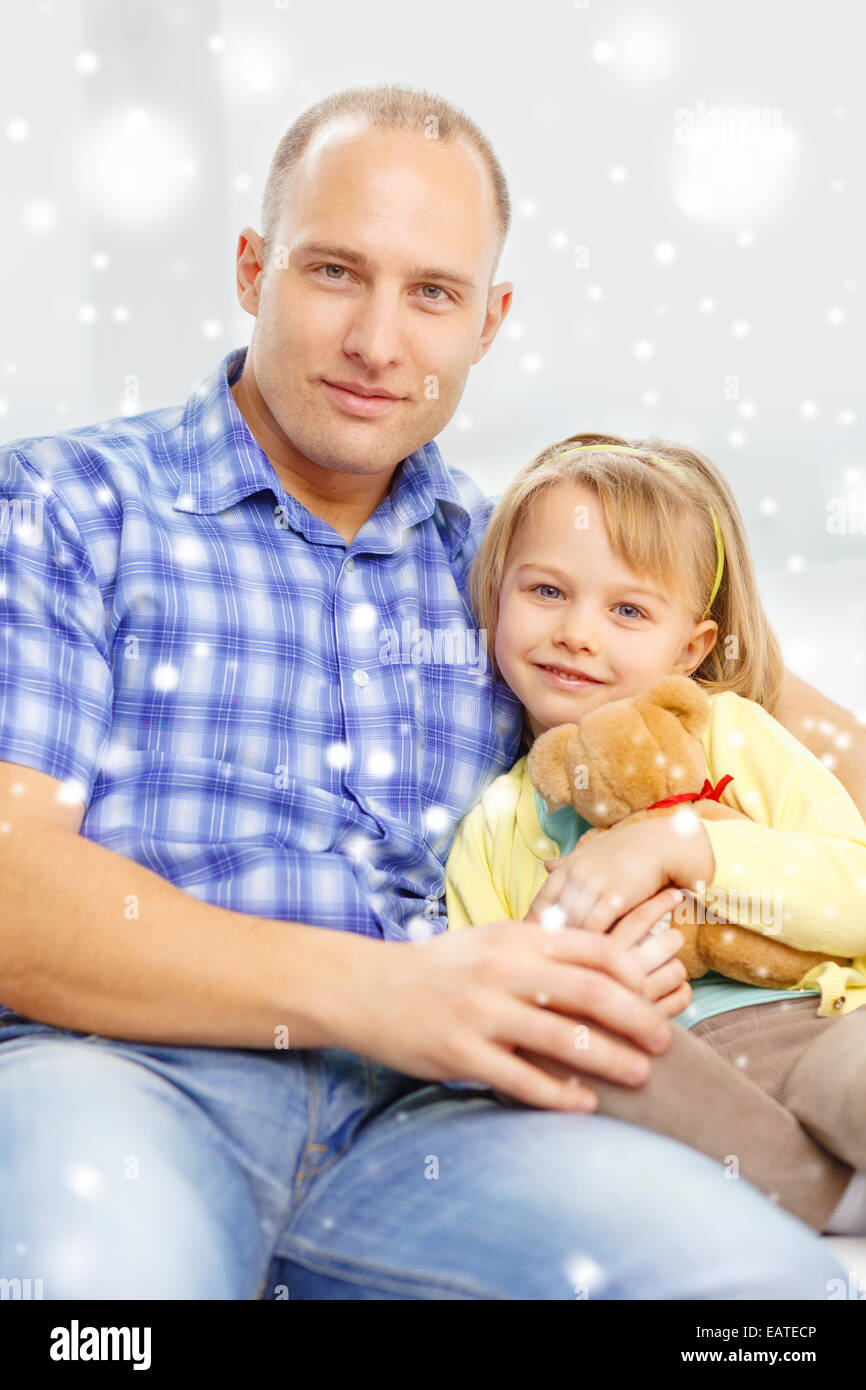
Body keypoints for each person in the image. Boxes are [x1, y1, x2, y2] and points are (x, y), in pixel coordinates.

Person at [0, 84, 857, 1299]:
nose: (377, 343)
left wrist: (690, 855)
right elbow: (10, 887)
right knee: (99, 1290)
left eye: (433, 293)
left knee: (760, 1300)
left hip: (448, 1123)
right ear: (252, 268)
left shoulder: (524, 567)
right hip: (126, 1078)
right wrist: (386, 991)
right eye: (334, 272)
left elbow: (785, 725)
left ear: (489, 319)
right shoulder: (61, 507)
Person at [445, 431, 866, 1235]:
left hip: (816, 1019)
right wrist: (556, 974)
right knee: (584, 1072)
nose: (577, 632)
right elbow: (488, 1015)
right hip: (665, 1062)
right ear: (497, 595)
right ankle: (835, 1201)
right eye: (545, 592)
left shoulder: (735, 736)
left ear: (692, 647)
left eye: (628, 610)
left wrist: (686, 844)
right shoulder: (499, 818)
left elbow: (857, 886)